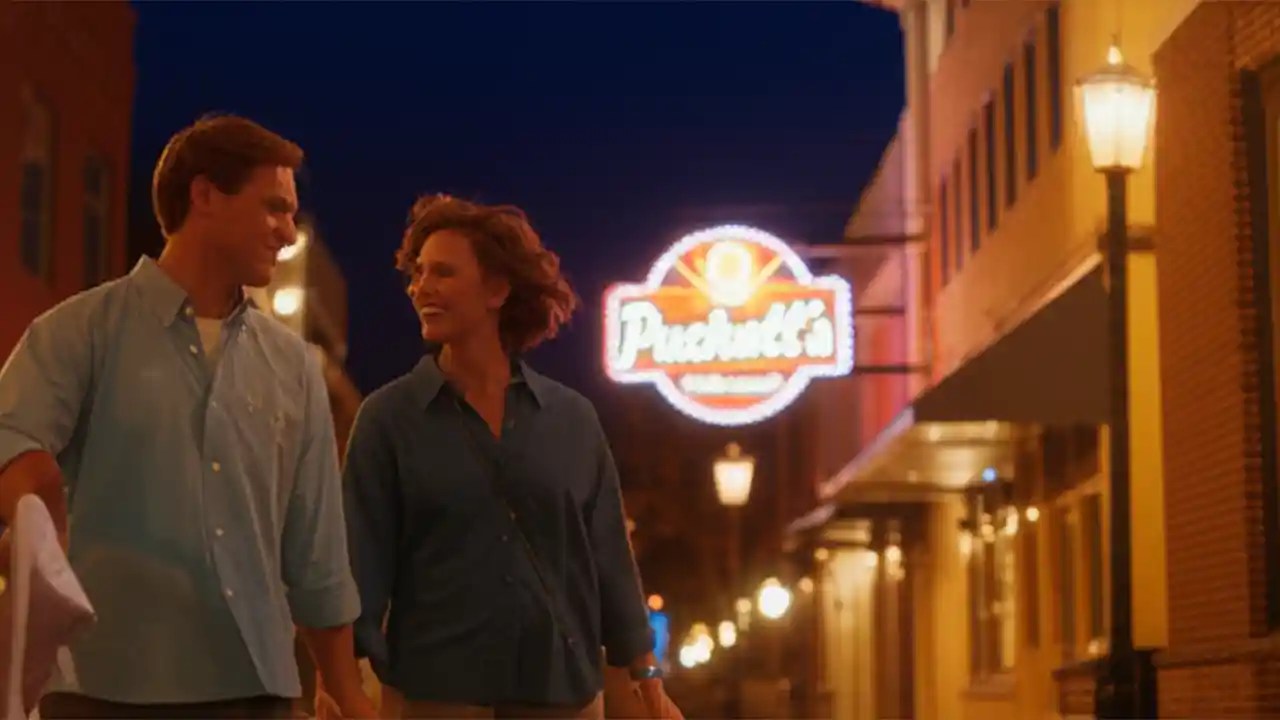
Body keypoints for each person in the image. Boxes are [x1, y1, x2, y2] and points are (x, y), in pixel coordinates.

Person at [0, 114, 376, 719]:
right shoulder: (80, 332)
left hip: (255, 690)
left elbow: (317, 555)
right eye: (273, 208)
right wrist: (32, 497)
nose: (287, 232)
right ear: (204, 195)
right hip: (105, 685)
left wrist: (347, 691)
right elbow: (10, 436)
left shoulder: (295, 367)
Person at [341, 195, 681, 719]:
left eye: (443, 273)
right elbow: (360, 565)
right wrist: (339, 681)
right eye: (417, 273)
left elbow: (610, 555)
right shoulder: (388, 419)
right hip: (436, 697)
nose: (420, 287)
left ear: (497, 290)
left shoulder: (572, 419)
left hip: (561, 695)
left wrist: (647, 675)